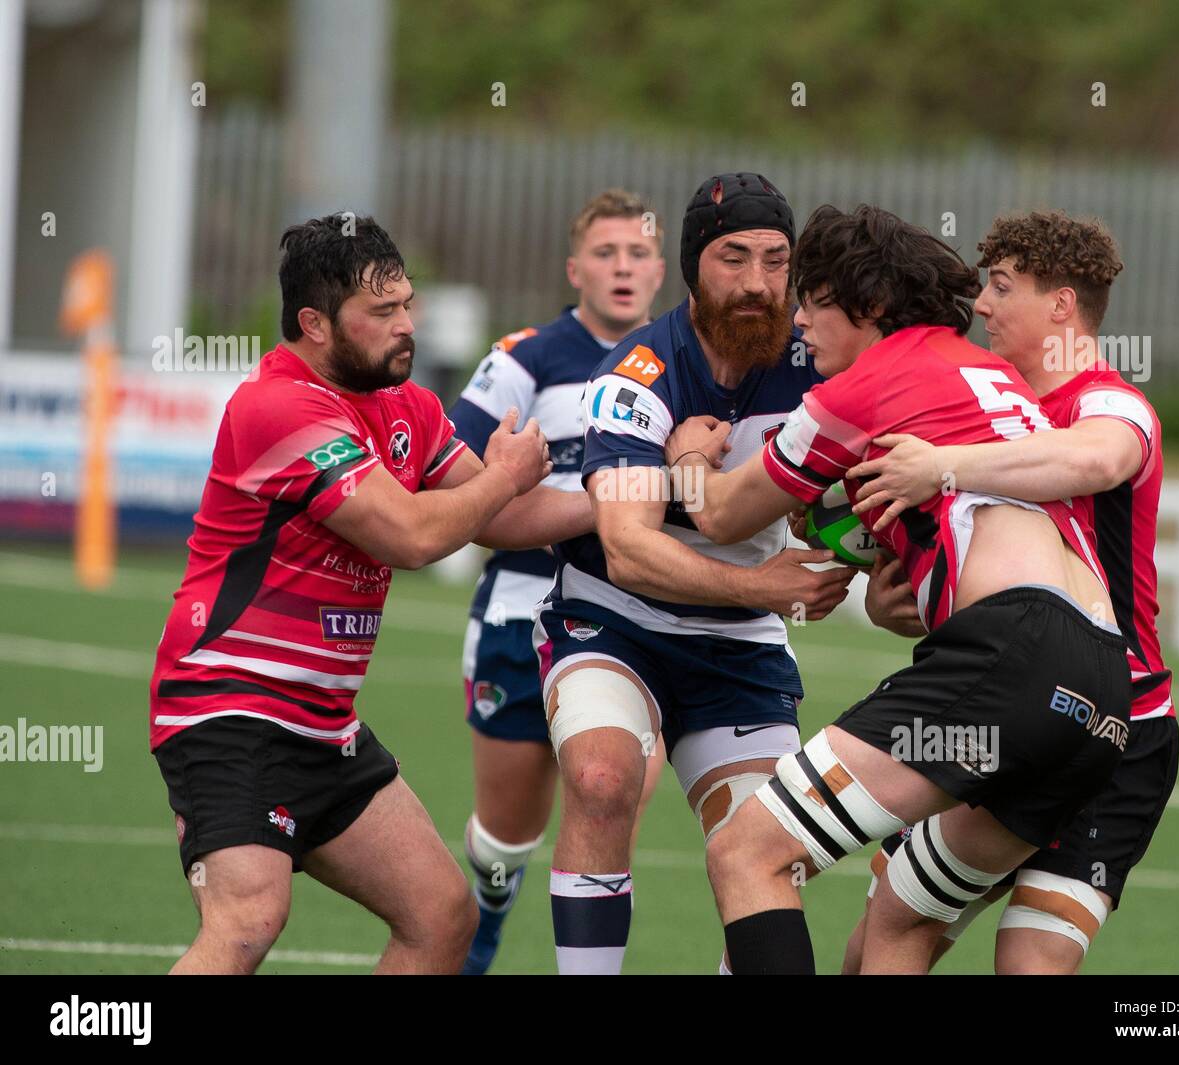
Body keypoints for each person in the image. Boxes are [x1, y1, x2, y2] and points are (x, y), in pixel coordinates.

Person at [666, 203, 1130, 974]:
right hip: (1099, 691)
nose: (795, 321)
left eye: (811, 300)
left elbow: (720, 514)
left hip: (1013, 659)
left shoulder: (863, 384)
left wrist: (688, 454)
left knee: (749, 853)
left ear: (871, 306)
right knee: (901, 921)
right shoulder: (994, 375)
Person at [149, 213, 592, 974]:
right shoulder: (278, 408)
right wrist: (505, 473)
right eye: (382, 313)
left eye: (407, 305)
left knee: (441, 915)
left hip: (323, 726)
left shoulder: (407, 408)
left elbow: (507, 515)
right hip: (228, 708)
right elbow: (414, 536)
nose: (406, 327)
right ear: (314, 323)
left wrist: (635, 505)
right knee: (249, 918)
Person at [842, 210, 1178, 974]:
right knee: (875, 948)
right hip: (1005, 710)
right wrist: (897, 597)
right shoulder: (991, 412)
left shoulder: (1111, 405)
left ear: (1062, 305)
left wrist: (944, 466)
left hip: (1121, 727)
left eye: (1001, 286)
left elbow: (1094, 461)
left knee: (1030, 964)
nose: (982, 305)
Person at [536, 172, 855, 974]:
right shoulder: (635, 376)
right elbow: (629, 548)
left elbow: (851, 496)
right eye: (732, 258)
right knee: (604, 776)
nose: (756, 283)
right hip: (615, 620)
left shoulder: (819, 363)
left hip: (738, 645)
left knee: (768, 848)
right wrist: (768, 585)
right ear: (692, 268)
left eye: (776, 261)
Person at [447, 189, 668, 974]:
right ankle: (482, 933)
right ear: (576, 267)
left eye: (638, 253)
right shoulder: (524, 358)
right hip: (517, 616)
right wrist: (605, 507)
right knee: (506, 840)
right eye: (605, 253)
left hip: (635, 629)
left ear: (661, 267)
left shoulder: (683, 362)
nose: (622, 267)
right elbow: (457, 480)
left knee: (605, 811)